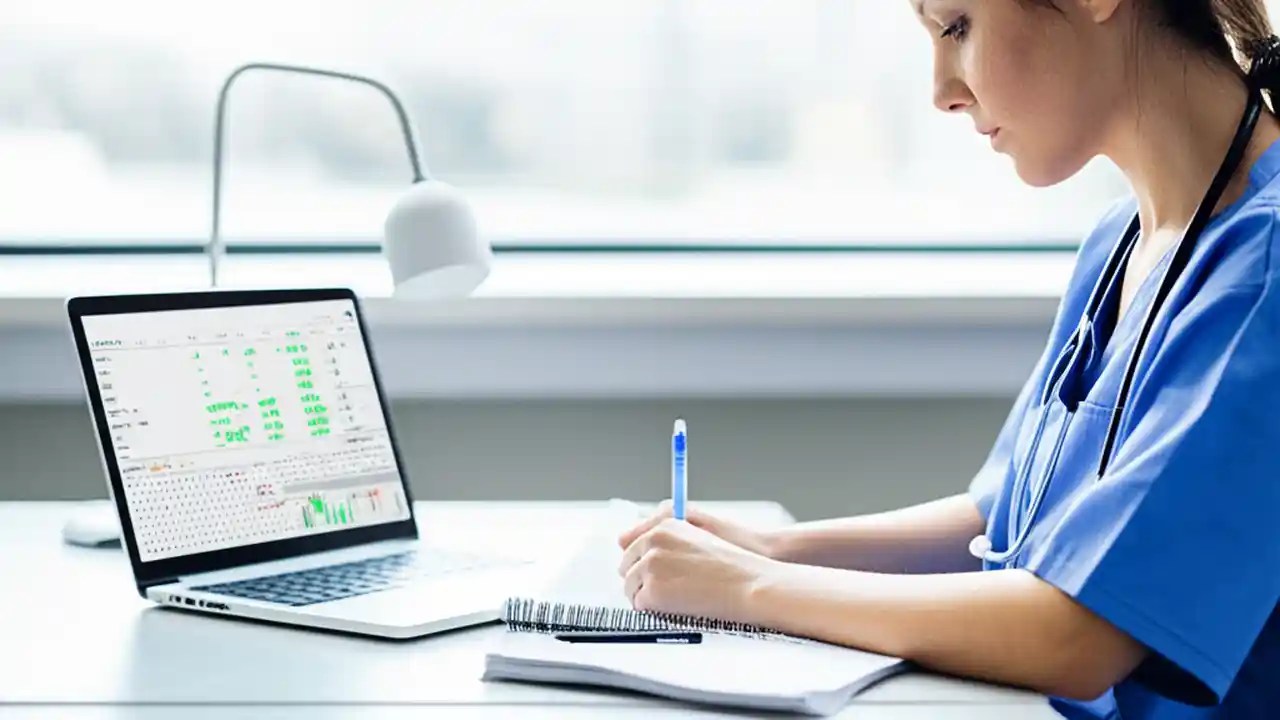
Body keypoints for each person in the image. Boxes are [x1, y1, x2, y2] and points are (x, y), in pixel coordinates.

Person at [616, 1, 1280, 717]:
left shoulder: (1265, 268)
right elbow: (1005, 524)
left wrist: (746, 592)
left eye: (957, 27)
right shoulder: (1123, 242)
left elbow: (1078, 637)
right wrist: (775, 550)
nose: (942, 92)